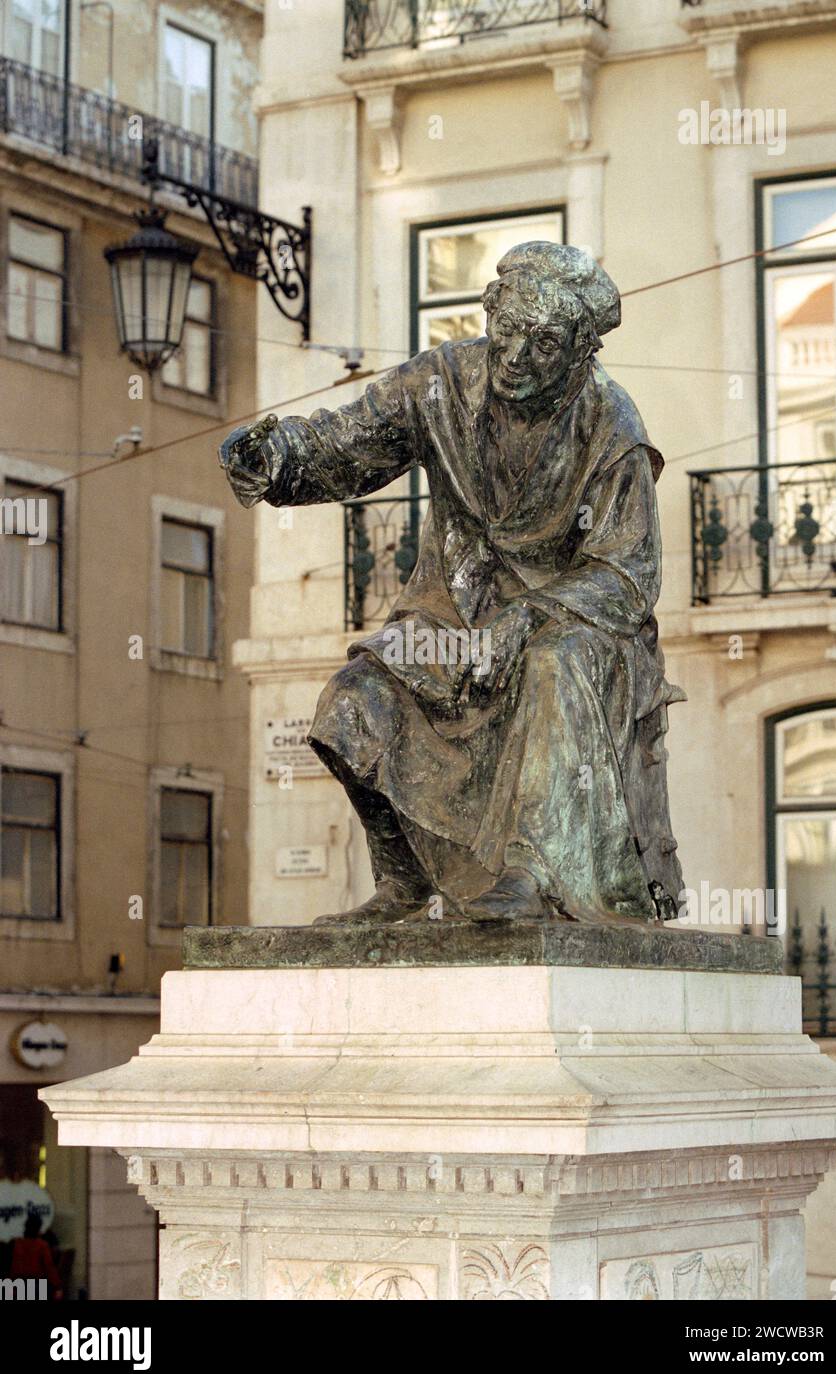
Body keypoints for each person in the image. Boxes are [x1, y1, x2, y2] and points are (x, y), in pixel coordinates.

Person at [220, 241, 684, 925]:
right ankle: (404, 880)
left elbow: (626, 573)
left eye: (546, 344)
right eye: (509, 329)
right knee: (356, 699)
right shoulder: (441, 382)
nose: (518, 356)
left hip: (575, 627)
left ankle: (539, 871)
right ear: (490, 313)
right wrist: (280, 453)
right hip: (452, 616)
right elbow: (349, 442)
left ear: (583, 351)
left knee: (551, 666)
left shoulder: (611, 424)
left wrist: (527, 617)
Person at [10, 1212, 63, 1298]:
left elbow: (13, 1267)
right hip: (37, 1285)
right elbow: (49, 1267)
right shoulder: (42, 1245)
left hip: (19, 1284)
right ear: (38, 1229)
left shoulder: (17, 1244)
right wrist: (58, 1286)